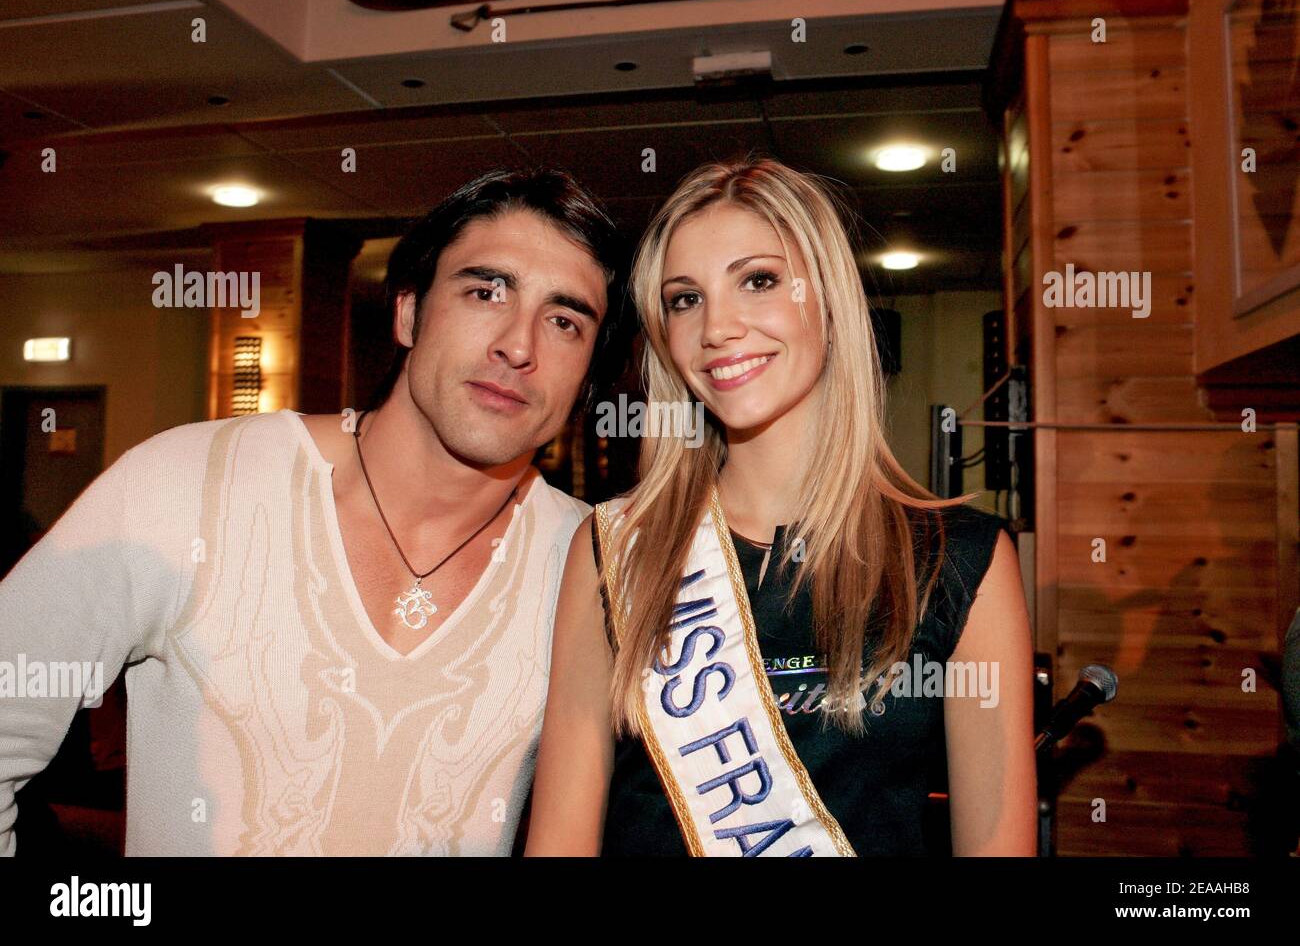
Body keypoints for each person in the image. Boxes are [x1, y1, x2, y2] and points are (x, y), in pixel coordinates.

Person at [0, 167, 630, 856]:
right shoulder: (189, 485)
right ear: (409, 312)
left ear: (587, 374)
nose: (519, 345)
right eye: (485, 291)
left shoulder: (597, 564)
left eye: (565, 321)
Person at [525, 155, 1037, 857]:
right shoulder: (615, 548)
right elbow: (560, 842)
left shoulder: (962, 559)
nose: (717, 328)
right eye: (684, 299)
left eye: (758, 281)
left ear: (826, 298)